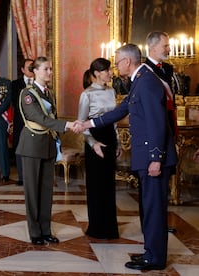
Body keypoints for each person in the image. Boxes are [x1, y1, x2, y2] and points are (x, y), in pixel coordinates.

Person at [78, 44, 177, 270]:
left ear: (127, 62)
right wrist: (88, 123)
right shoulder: (140, 80)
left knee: (154, 210)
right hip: (147, 158)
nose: (115, 65)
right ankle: (151, 252)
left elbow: (157, 123)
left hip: (153, 158)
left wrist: (156, 158)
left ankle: (155, 258)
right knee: (148, 208)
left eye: (116, 61)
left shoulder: (147, 81)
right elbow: (120, 111)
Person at [16, 56, 78, 245]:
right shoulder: (27, 94)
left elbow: (51, 117)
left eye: (51, 69)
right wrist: (67, 125)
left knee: (45, 192)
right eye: (46, 69)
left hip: (48, 145)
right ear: (35, 71)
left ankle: (46, 230)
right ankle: (35, 233)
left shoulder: (48, 93)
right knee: (33, 193)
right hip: (32, 146)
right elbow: (40, 118)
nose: (50, 72)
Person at [78, 58, 121, 240]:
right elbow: (82, 125)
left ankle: (110, 228)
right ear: (96, 73)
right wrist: (93, 144)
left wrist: (118, 142)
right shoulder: (86, 94)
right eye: (107, 70)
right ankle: (96, 227)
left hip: (110, 137)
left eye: (110, 70)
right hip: (94, 139)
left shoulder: (112, 91)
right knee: (96, 185)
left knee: (109, 184)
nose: (111, 73)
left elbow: (115, 121)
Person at [145, 31, 178, 136]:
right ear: (153, 47)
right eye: (165, 46)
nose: (169, 49)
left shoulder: (168, 68)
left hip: (169, 119)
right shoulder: (144, 69)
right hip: (155, 122)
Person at [11, 58, 34, 186]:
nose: (31, 69)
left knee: (33, 150)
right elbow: (15, 103)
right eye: (29, 67)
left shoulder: (40, 83)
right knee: (20, 149)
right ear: (22, 69)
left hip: (36, 123)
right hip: (21, 122)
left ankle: (32, 177)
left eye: (33, 67)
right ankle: (21, 177)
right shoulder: (15, 84)